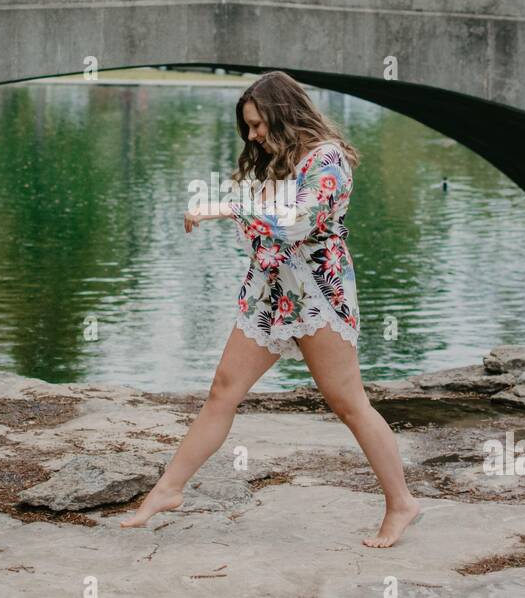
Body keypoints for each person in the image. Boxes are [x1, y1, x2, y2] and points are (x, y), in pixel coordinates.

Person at [120, 71, 423, 547]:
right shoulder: (278, 162)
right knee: (223, 389)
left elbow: (298, 223)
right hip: (270, 295)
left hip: (318, 296)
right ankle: (168, 489)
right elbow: (262, 230)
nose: (254, 136)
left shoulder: (328, 159)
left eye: (259, 125)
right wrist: (241, 210)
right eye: (249, 129)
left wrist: (222, 209)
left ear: (284, 113)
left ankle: (401, 503)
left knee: (348, 404)